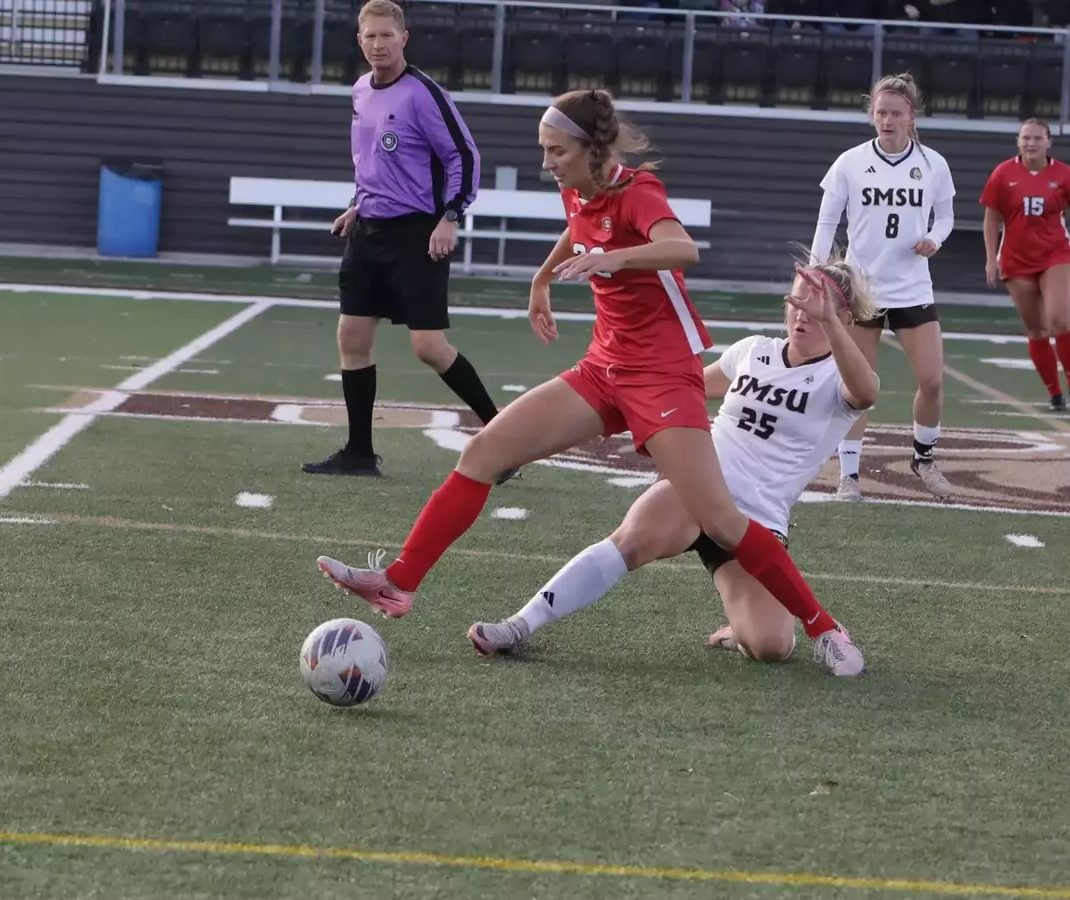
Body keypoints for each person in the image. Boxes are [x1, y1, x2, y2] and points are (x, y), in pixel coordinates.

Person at [314, 89, 862, 669]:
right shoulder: (577, 187)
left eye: (556, 151)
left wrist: (615, 258)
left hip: (662, 375)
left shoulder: (639, 193)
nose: (546, 162)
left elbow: (682, 248)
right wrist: (543, 278)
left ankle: (825, 629)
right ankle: (399, 582)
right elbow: (580, 226)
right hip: (604, 367)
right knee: (483, 452)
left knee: (724, 522)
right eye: (544, 149)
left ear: (590, 149)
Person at [467, 258, 877, 677]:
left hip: (758, 522)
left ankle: (740, 630)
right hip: (699, 488)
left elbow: (866, 392)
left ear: (844, 318)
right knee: (627, 543)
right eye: (797, 300)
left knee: (770, 646)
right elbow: (682, 388)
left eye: (817, 307)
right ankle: (518, 625)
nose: (801, 314)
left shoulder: (839, 378)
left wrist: (832, 324)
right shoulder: (754, 351)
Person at [302, 0, 509, 482]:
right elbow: (370, 161)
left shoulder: (424, 93)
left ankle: (507, 442)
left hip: (418, 234)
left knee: (429, 346)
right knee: (352, 338)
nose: (378, 45)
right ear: (359, 41)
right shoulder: (359, 91)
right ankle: (359, 453)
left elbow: (464, 157)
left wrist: (451, 217)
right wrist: (356, 205)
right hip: (367, 232)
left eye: (387, 36)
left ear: (404, 38)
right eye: (370, 36)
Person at [810, 72, 955, 503]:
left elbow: (946, 217)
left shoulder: (933, 163)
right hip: (863, 288)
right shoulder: (850, 162)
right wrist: (818, 272)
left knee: (932, 380)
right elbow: (827, 222)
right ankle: (849, 476)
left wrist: (935, 238)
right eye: (880, 113)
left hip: (912, 287)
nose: (887, 120)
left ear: (912, 116)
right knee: (858, 387)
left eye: (895, 113)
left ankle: (924, 459)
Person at [979, 119, 1070, 413]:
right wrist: (990, 257)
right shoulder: (1003, 174)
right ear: (1018, 141)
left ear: (1048, 142)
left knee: (1060, 319)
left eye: (1037, 138)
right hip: (1016, 259)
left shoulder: (1064, 175)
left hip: (1054, 254)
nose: (1031, 143)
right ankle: (1054, 393)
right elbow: (991, 217)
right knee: (1036, 329)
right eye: (1026, 138)